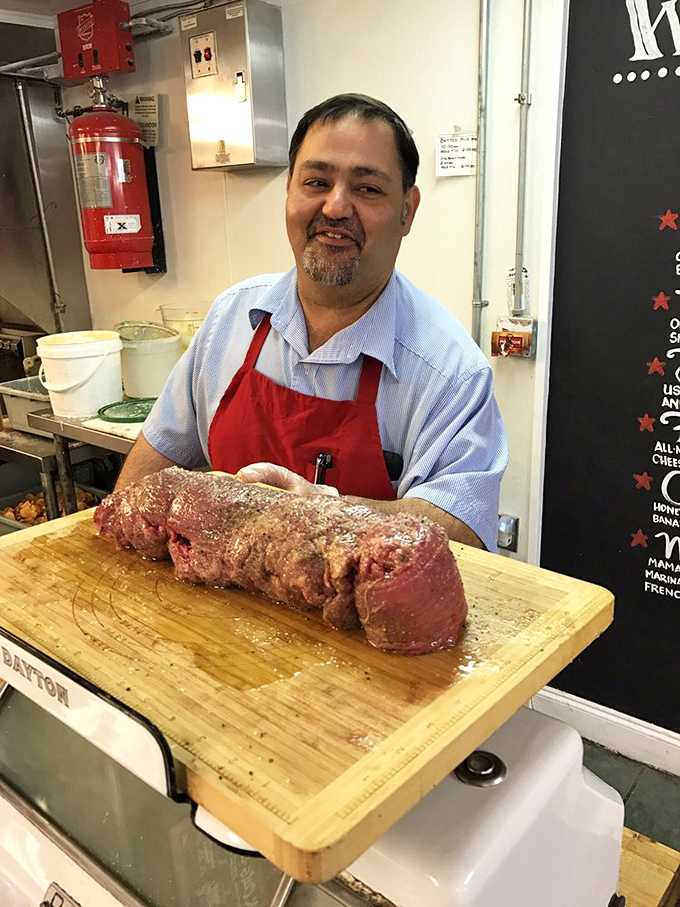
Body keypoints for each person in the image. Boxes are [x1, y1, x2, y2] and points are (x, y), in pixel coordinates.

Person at [116, 93, 508, 551]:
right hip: (212, 610)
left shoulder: (451, 373)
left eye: (368, 189)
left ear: (407, 210)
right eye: (317, 182)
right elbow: (144, 478)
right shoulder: (231, 319)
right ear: (289, 191)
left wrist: (324, 513)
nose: (336, 207)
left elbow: (462, 534)